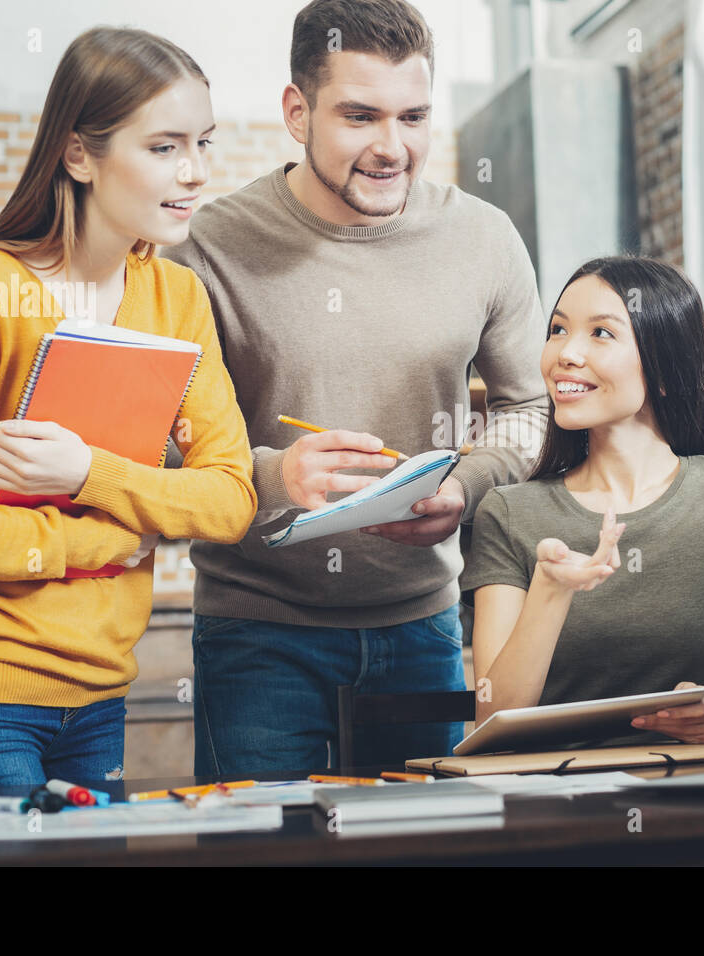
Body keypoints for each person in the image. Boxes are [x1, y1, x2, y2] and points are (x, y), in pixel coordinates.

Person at [163, 0, 548, 774]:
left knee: (426, 853)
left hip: (424, 626)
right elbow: (154, 447)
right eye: (360, 117)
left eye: (414, 117)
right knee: (260, 854)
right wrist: (275, 474)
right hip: (256, 632)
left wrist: (466, 485)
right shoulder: (205, 246)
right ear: (296, 113)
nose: (392, 148)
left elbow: (528, 410)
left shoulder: (484, 238)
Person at [0, 27, 257, 790]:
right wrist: (100, 544)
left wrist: (89, 472)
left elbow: (231, 497)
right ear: (80, 155)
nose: (196, 173)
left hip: (102, 697)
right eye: (164, 147)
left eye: (202, 144)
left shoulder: (176, 298)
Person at [461, 257, 704, 743]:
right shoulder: (510, 511)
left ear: (664, 368)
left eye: (601, 333)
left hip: (692, 790)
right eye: (557, 330)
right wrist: (551, 590)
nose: (565, 354)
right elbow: (493, 720)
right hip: (556, 795)